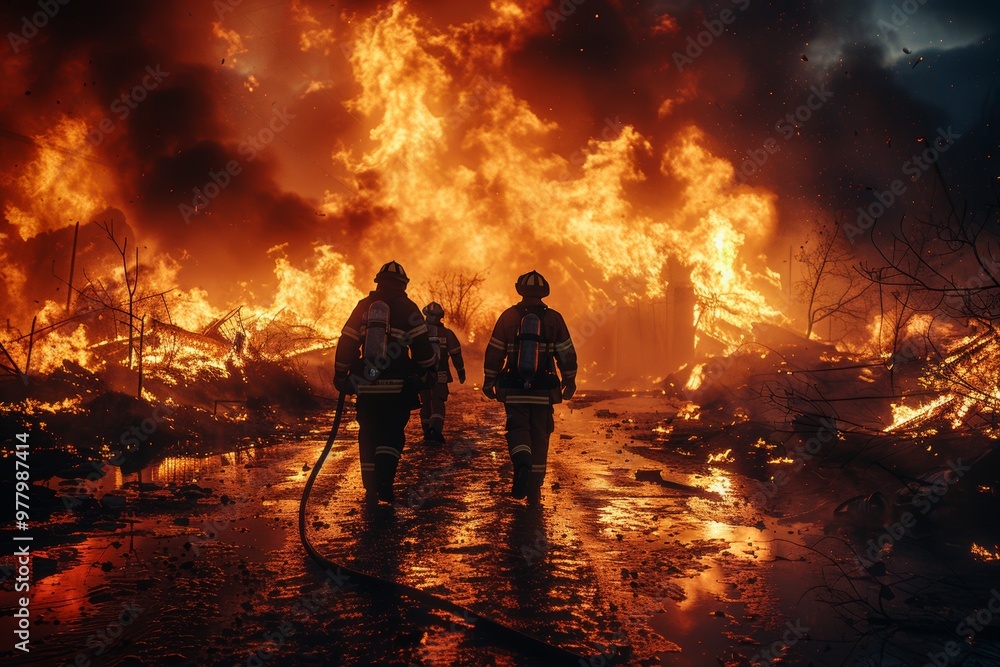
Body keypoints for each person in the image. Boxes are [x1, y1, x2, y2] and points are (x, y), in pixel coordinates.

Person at [333, 261, 437, 504]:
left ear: (378, 282)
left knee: (368, 433)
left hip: (366, 385)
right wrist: (426, 372)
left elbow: (347, 341)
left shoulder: (363, 306)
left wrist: (341, 374)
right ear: (403, 285)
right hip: (398, 387)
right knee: (391, 434)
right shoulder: (409, 309)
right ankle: (385, 483)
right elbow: (423, 349)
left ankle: (370, 488)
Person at [482, 270, 577, 504]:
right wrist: (569, 380)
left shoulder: (508, 317)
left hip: (514, 389)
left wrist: (489, 380)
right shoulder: (554, 319)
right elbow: (566, 354)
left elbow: (495, 352)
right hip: (544, 391)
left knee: (518, 429)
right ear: (544, 292)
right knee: (540, 436)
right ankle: (534, 487)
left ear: (520, 291)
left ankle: (522, 464)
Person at [420, 301, 467, 445]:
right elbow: (456, 355)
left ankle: (427, 431)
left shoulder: (419, 332)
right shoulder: (447, 334)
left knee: (426, 402)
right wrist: (461, 371)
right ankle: (434, 430)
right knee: (437, 401)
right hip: (440, 373)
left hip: (422, 374)